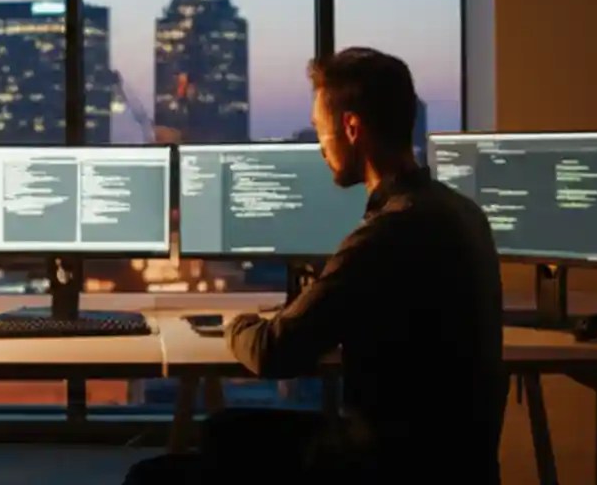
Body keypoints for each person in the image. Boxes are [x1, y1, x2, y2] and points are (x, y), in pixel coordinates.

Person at [125, 47, 507, 484]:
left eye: (320, 129)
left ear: (351, 127)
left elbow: (274, 352)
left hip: (384, 464)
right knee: (224, 429)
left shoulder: (386, 233)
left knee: (148, 476)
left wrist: (236, 324)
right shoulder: (461, 212)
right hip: (454, 461)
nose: (318, 143)